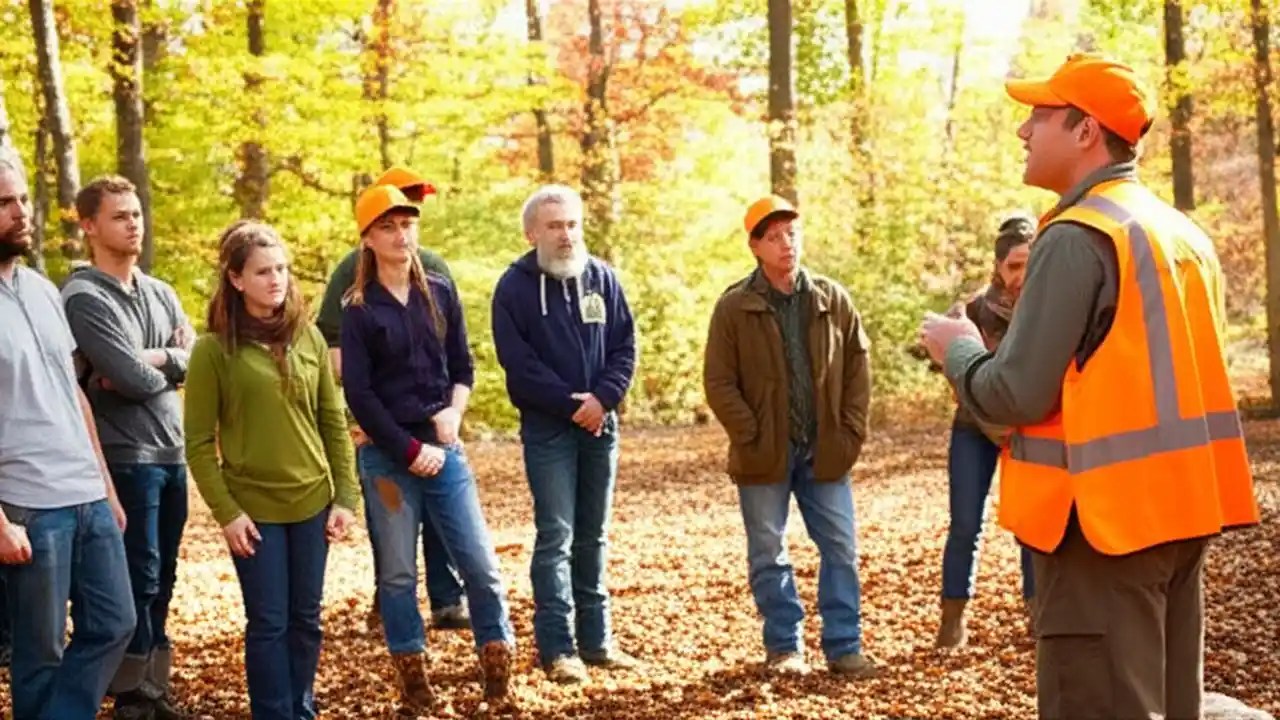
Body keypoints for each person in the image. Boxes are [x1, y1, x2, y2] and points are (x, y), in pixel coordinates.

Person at [919, 53, 1260, 719]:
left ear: (1086, 132)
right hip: (1182, 515)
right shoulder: (1179, 233)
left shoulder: (1077, 237)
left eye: (1039, 117)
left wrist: (957, 351)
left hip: (1102, 531)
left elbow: (1013, 394)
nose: (1023, 131)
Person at [341, 184, 515, 711]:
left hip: (445, 449)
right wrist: (409, 448)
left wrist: (454, 412)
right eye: (388, 227)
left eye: (408, 224)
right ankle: (414, 683)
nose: (401, 235)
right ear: (368, 239)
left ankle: (497, 674)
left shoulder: (439, 291)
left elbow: (463, 367)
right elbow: (360, 394)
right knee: (397, 573)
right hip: (388, 456)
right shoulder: (359, 309)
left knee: (480, 564)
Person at [184, 220, 359, 720]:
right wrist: (227, 513)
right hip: (253, 510)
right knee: (268, 623)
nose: (276, 280)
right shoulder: (213, 350)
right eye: (262, 272)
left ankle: (300, 710)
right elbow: (198, 444)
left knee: (306, 621)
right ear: (236, 280)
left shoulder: (307, 338)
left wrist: (346, 497)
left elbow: (333, 422)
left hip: (311, 502)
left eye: (281, 269)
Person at [703, 194, 878, 678]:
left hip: (825, 450)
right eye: (775, 236)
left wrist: (850, 432)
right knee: (768, 551)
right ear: (756, 246)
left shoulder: (831, 298)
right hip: (764, 455)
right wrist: (751, 433)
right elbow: (718, 381)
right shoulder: (734, 307)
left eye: (792, 233)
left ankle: (844, 647)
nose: (787, 244)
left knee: (840, 546)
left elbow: (859, 368)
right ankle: (785, 648)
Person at [0, 149, 136, 718]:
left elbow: (73, 392)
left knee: (116, 623)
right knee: (40, 653)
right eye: (5, 204)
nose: (21, 212)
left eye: (23, 199)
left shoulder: (41, 289)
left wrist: (104, 485)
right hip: (29, 506)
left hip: (87, 495)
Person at [491, 185, 638, 683]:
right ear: (532, 233)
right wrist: (572, 407)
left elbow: (624, 347)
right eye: (554, 226)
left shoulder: (603, 279)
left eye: (572, 224)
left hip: (602, 427)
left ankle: (597, 643)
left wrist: (603, 400)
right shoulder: (512, 289)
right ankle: (558, 649)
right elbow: (519, 365)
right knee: (557, 536)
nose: (566, 234)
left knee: (594, 537)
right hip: (548, 432)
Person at [62, 175, 194, 720]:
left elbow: (194, 360)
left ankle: (153, 688)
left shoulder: (161, 291)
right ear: (90, 226)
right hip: (124, 458)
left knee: (164, 575)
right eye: (120, 215)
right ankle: (130, 692)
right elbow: (129, 379)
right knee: (136, 574)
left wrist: (153, 359)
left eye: (137, 213)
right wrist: (158, 364)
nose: (133, 223)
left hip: (172, 453)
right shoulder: (83, 296)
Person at [314, 165, 467, 633]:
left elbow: (454, 354)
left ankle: (447, 598)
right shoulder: (351, 272)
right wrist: (373, 399)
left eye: (411, 214)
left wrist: (450, 409)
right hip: (377, 421)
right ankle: (391, 598)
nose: (403, 227)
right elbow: (330, 345)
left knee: (444, 512)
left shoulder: (435, 269)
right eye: (393, 216)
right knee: (391, 515)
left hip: (435, 418)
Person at [935, 213, 1036, 649]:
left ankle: (1038, 612)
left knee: (1034, 522)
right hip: (974, 427)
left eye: (1030, 264)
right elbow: (950, 362)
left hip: (1028, 427)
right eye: (1014, 265)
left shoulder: (1049, 305)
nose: (1021, 275)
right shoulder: (973, 310)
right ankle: (953, 617)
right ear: (998, 266)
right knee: (964, 523)